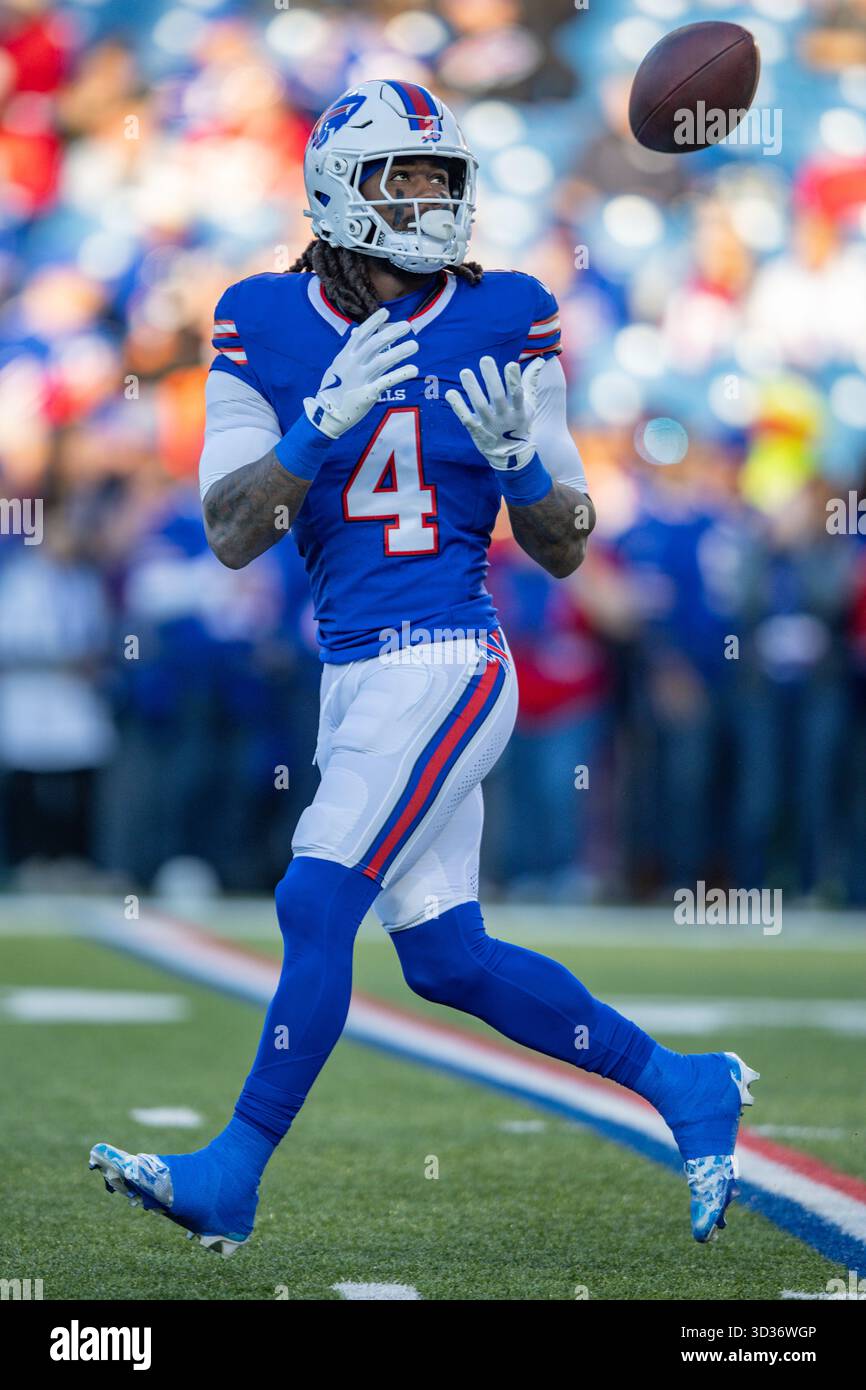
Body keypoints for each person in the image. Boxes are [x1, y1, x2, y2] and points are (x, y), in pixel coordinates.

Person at [90, 79, 758, 1255]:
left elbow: (562, 545)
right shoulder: (259, 316)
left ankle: (231, 1171)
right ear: (336, 191)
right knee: (446, 957)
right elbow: (233, 529)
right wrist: (310, 432)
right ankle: (685, 1083)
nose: (429, 199)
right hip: (351, 667)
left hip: (449, 657)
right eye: (403, 176)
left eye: (442, 177)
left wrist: (520, 470)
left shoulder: (507, 313)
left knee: (312, 897)